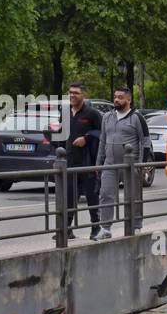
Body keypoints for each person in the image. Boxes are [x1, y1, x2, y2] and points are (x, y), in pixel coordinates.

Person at [95, 87, 149, 239]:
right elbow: (102, 141)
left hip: (131, 165)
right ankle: (105, 228)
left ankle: (136, 226)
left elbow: (146, 142)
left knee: (133, 196)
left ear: (128, 100)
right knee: (105, 194)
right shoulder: (107, 117)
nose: (116, 100)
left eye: (120, 97)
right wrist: (99, 163)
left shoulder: (137, 118)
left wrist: (141, 165)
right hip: (110, 163)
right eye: (115, 97)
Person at [63, 82, 104, 239]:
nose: (72, 95)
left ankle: (95, 227)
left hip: (87, 161)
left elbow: (101, 132)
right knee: (69, 195)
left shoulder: (92, 114)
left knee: (91, 195)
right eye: (70, 92)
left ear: (84, 95)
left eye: (76, 93)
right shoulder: (65, 112)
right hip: (70, 160)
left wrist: (86, 138)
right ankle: (66, 228)